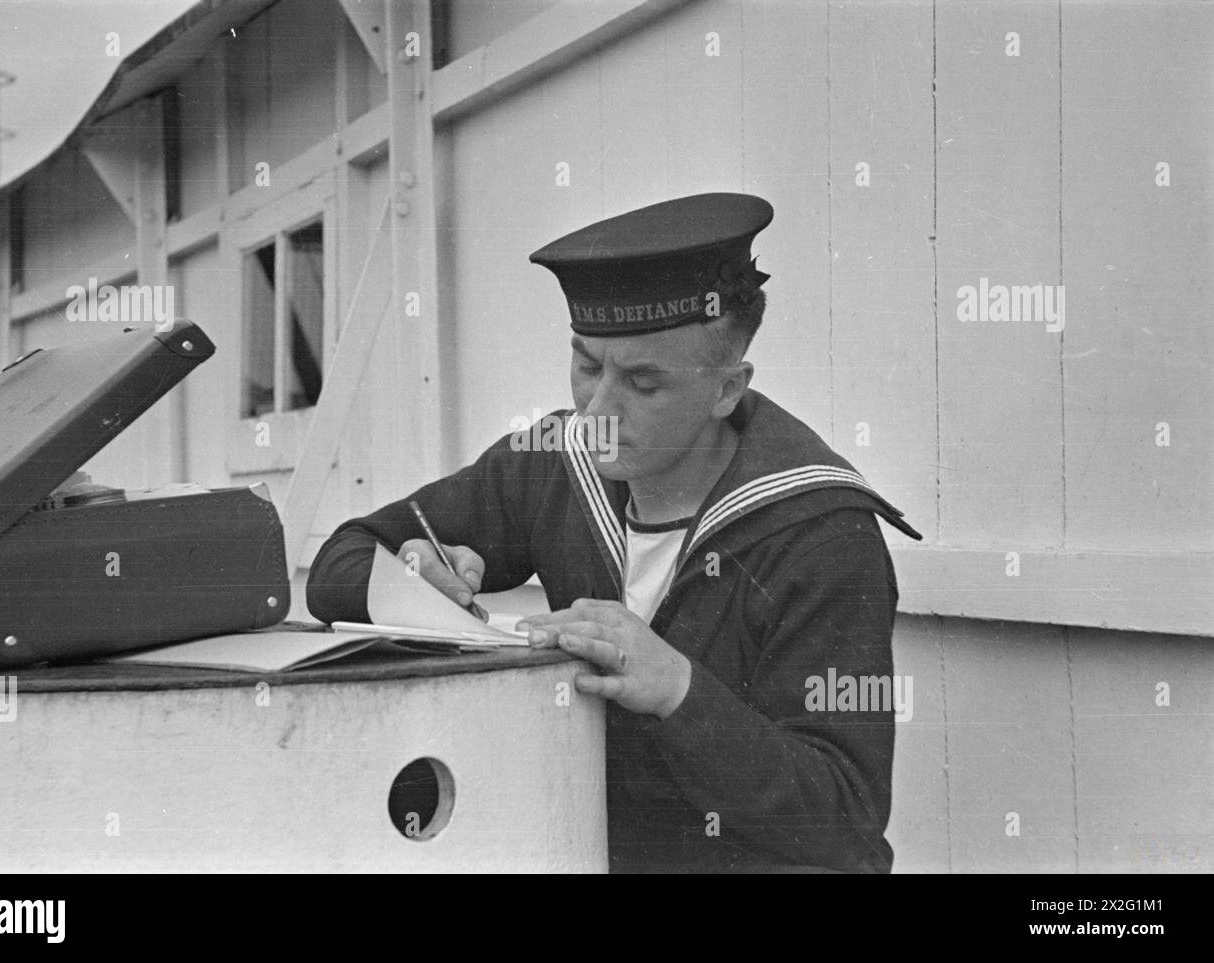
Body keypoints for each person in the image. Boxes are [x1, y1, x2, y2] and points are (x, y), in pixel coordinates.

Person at [307, 192, 922, 873]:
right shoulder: (551, 466)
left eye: (643, 382)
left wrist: (679, 688)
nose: (597, 409)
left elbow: (847, 822)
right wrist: (412, 577)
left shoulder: (820, 534)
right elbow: (342, 557)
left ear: (726, 389)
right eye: (587, 366)